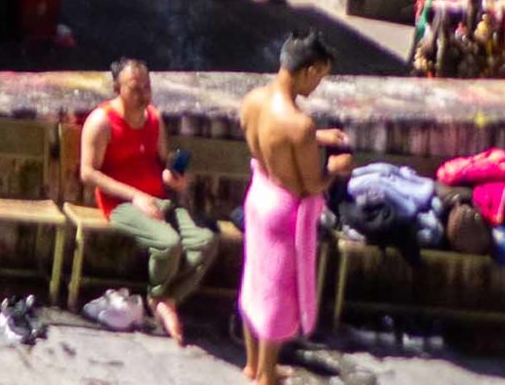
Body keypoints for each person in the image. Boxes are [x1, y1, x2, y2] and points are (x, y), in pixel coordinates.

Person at [239, 32, 351, 385]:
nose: (318, 84)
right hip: (283, 211)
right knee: (277, 294)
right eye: (320, 76)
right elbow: (310, 185)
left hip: (258, 195)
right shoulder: (299, 124)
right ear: (308, 70)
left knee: (254, 282)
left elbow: (275, 139)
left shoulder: (253, 100)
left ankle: (252, 365)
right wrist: (334, 169)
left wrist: (317, 138)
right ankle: (267, 376)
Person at [80, 58, 216, 344]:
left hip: (159, 198)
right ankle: (158, 295)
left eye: (147, 87)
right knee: (168, 243)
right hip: (120, 203)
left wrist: (172, 175)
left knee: (205, 240)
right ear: (118, 88)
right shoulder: (102, 121)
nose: (144, 94)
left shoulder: (153, 117)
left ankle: (165, 298)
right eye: (135, 88)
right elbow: (88, 173)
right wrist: (135, 196)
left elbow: (161, 159)